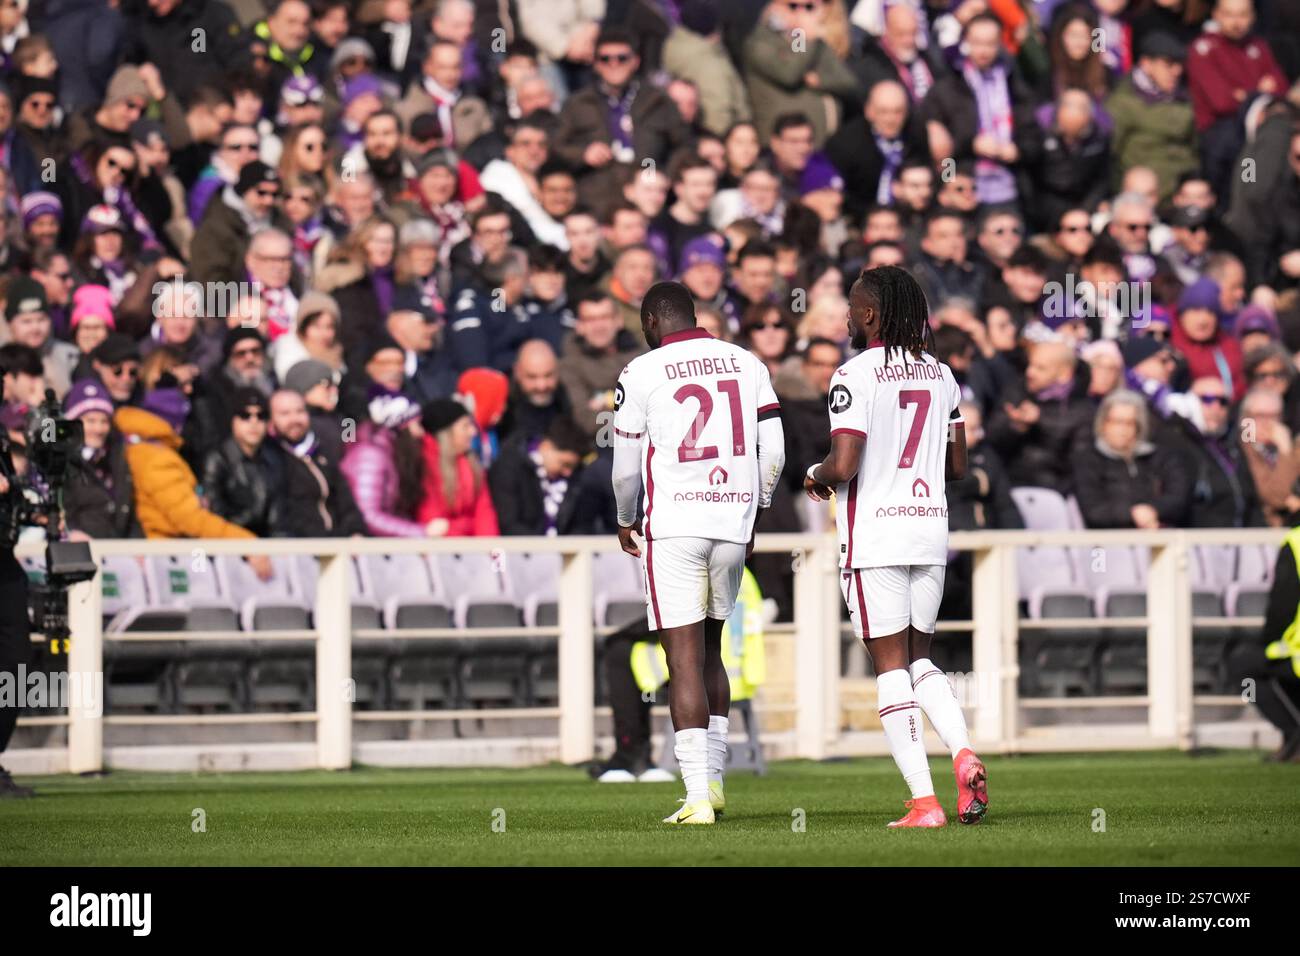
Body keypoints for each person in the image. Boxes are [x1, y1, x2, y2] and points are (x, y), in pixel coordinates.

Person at [802, 265, 984, 829]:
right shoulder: (942, 374)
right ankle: (962, 751)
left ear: (872, 315)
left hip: (874, 535)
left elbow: (845, 463)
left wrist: (816, 474)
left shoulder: (853, 374)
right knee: (921, 657)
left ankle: (924, 802)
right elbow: (958, 465)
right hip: (929, 528)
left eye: (854, 309)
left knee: (888, 667)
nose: (847, 318)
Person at [611, 280, 785, 825]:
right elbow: (773, 451)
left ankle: (696, 797)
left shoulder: (640, 371)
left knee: (680, 658)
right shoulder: (746, 362)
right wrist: (755, 508)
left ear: (651, 323)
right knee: (712, 652)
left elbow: (623, 467)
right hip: (732, 522)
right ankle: (714, 780)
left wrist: (624, 517)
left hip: (676, 525)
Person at [1227, 526, 1300, 761]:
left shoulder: (1296, 540)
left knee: (1242, 670)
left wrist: (1267, 640)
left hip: (1295, 652)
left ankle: (1291, 733)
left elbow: (1283, 604)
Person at [489, 414, 591, 535]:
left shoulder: (577, 478)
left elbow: (582, 524)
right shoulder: (510, 467)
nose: (568, 472)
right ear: (546, 446)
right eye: (565, 464)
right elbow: (508, 523)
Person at [199, 388, 281, 538]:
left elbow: (280, 520)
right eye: (245, 415)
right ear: (232, 420)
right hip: (230, 546)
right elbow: (215, 517)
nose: (254, 422)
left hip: (270, 547)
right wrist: (256, 510)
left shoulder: (273, 458)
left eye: (261, 416)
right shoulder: (217, 459)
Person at [415, 397, 499, 536]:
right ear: (445, 433)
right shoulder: (424, 466)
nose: (473, 432)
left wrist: (488, 550)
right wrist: (467, 529)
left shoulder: (472, 462)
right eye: (465, 426)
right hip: (442, 550)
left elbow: (484, 512)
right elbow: (432, 522)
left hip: (476, 549)